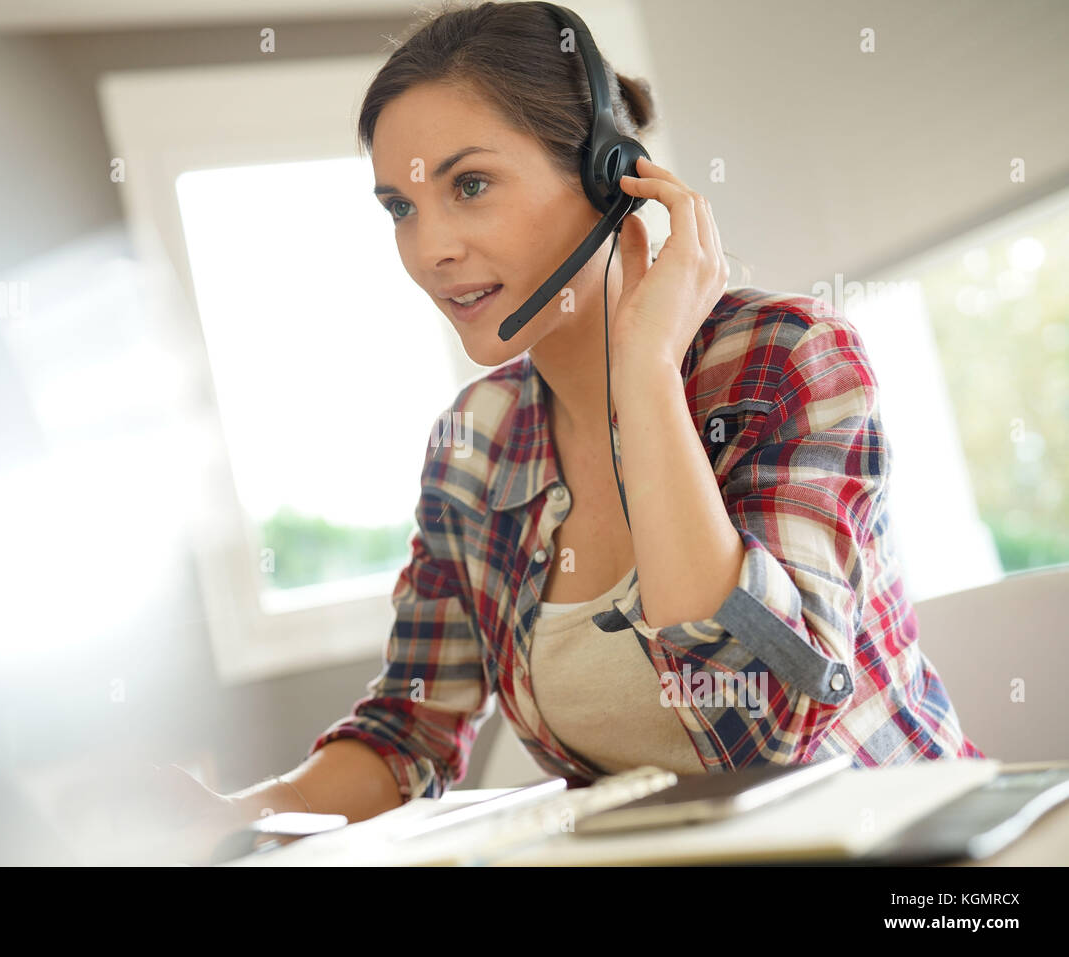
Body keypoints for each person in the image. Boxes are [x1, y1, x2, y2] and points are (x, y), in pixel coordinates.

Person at [106, 0, 985, 863]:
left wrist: (643, 378)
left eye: (470, 185)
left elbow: (773, 720)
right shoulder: (473, 442)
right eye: (399, 208)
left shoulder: (785, 358)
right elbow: (409, 727)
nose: (429, 248)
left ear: (610, 176)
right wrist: (230, 816)